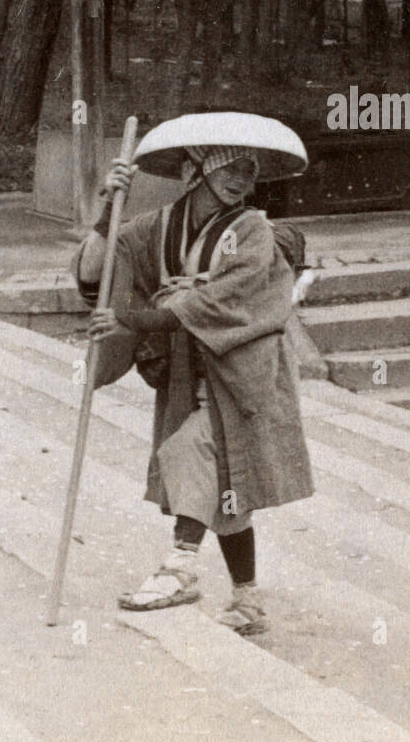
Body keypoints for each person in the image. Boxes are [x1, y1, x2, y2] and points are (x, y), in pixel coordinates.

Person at [74, 114, 314, 635]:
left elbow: (223, 300)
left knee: (191, 452)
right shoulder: (155, 229)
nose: (243, 179)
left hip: (242, 371)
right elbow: (97, 272)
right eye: (231, 165)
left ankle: (180, 568)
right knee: (227, 487)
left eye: (250, 170)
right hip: (187, 371)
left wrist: (138, 318)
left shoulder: (252, 229)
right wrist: (106, 211)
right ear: (194, 168)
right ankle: (248, 601)